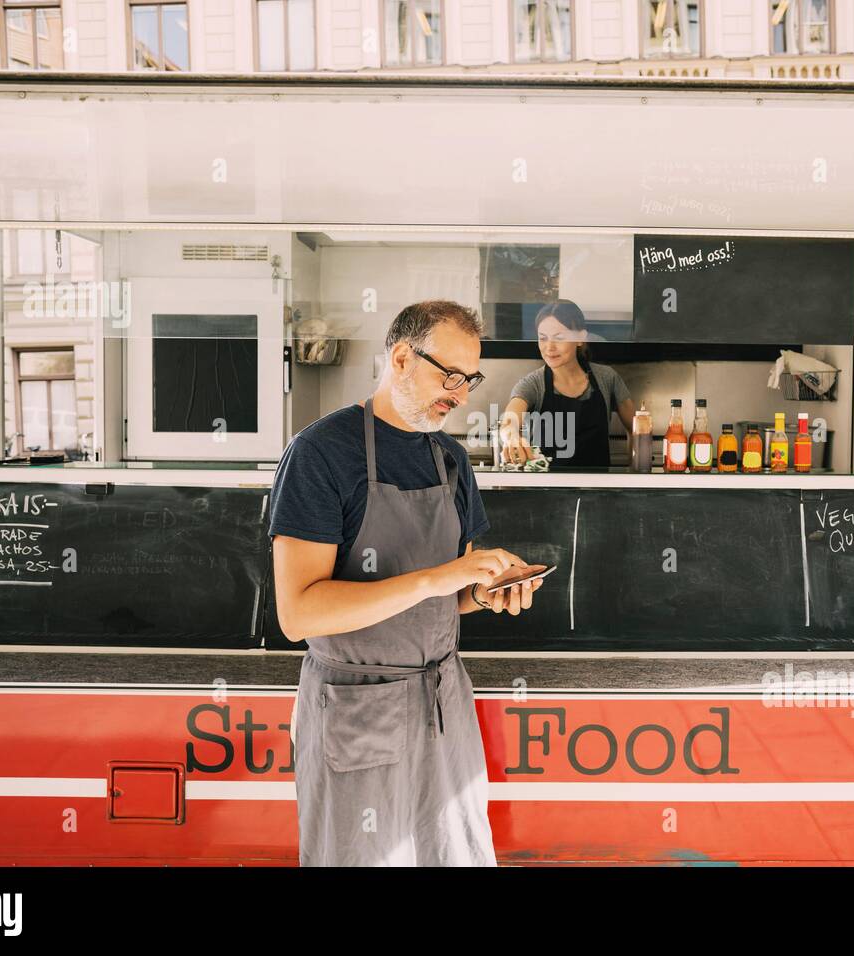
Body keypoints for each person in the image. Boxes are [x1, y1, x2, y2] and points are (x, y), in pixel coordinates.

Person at [268, 299, 545, 866]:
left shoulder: (450, 460)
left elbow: (454, 591)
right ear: (400, 357)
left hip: (443, 705)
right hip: (356, 710)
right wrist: (434, 579)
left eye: (470, 379)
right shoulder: (320, 454)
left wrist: (487, 591)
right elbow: (299, 614)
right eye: (449, 376)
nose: (461, 394)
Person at [498, 299, 635, 467]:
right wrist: (511, 437)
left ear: (580, 338)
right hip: (544, 489)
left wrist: (636, 473)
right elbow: (509, 421)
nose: (549, 347)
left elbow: (637, 429)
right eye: (543, 338)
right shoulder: (533, 384)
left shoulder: (607, 378)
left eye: (559, 338)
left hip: (596, 489)